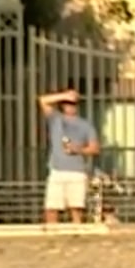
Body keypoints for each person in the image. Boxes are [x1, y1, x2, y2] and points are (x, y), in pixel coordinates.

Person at [38, 87, 100, 224]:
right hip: (57, 170)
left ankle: (76, 234)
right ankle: (52, 235)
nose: (70, 106)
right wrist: (64, 95)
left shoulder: (85, 125)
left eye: (73, 104)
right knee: (51, 207)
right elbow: (43, 100)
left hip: (76, 171)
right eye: (67, 103)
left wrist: (78, 149)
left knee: (76, 207)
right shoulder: (55, 119)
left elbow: (95, 148)